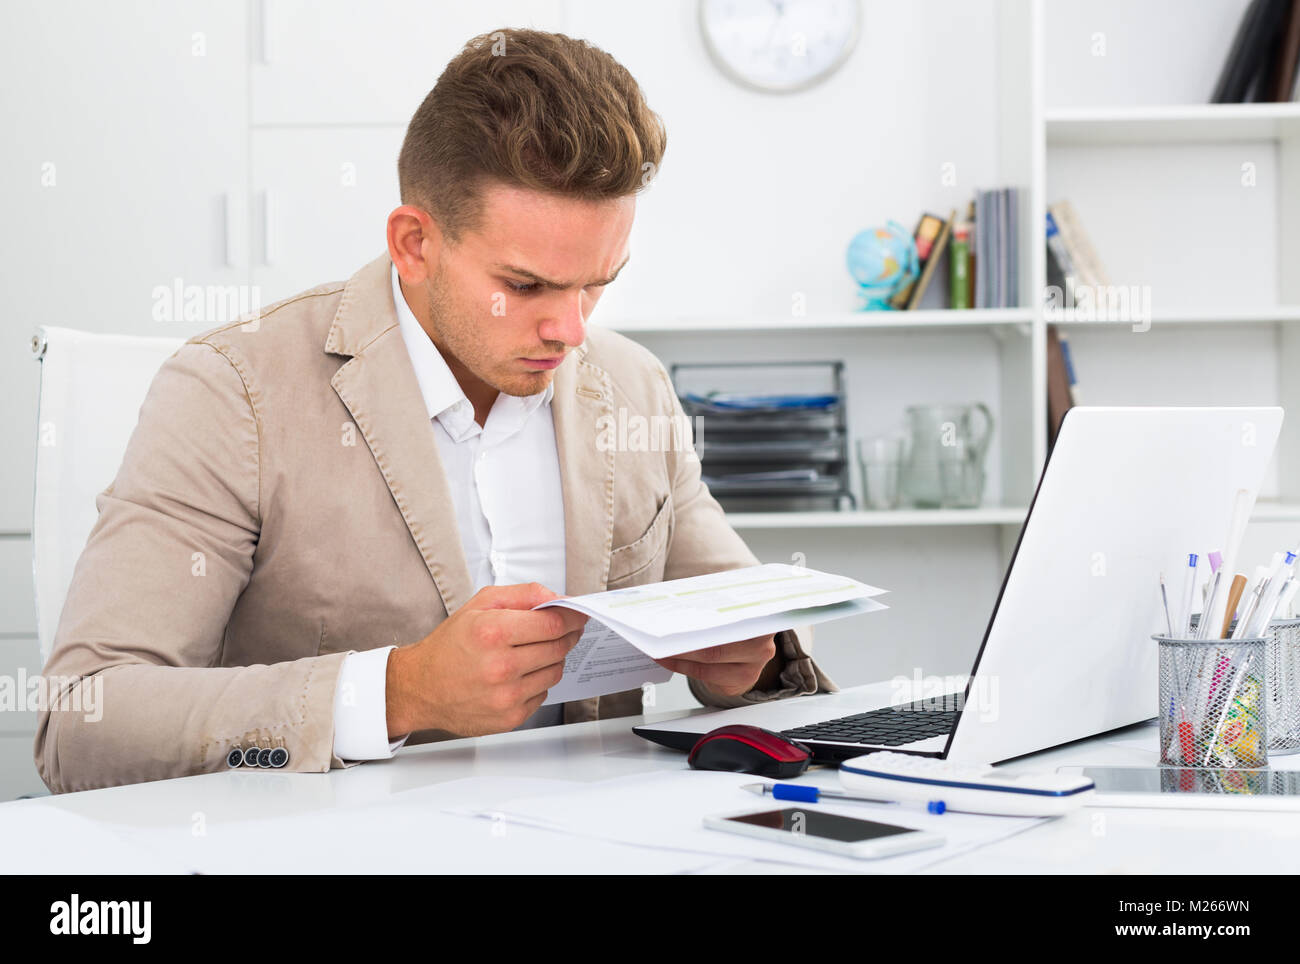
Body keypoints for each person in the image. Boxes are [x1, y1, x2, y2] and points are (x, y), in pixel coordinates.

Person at [35, 27, 834, 794]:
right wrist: (397, 692)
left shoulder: (632, 385)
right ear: (415, 243)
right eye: (524, 286)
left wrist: (749, 664)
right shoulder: (232, 391)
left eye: (597, 282)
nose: (571, 329)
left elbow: (743, 629)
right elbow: (84, 723)